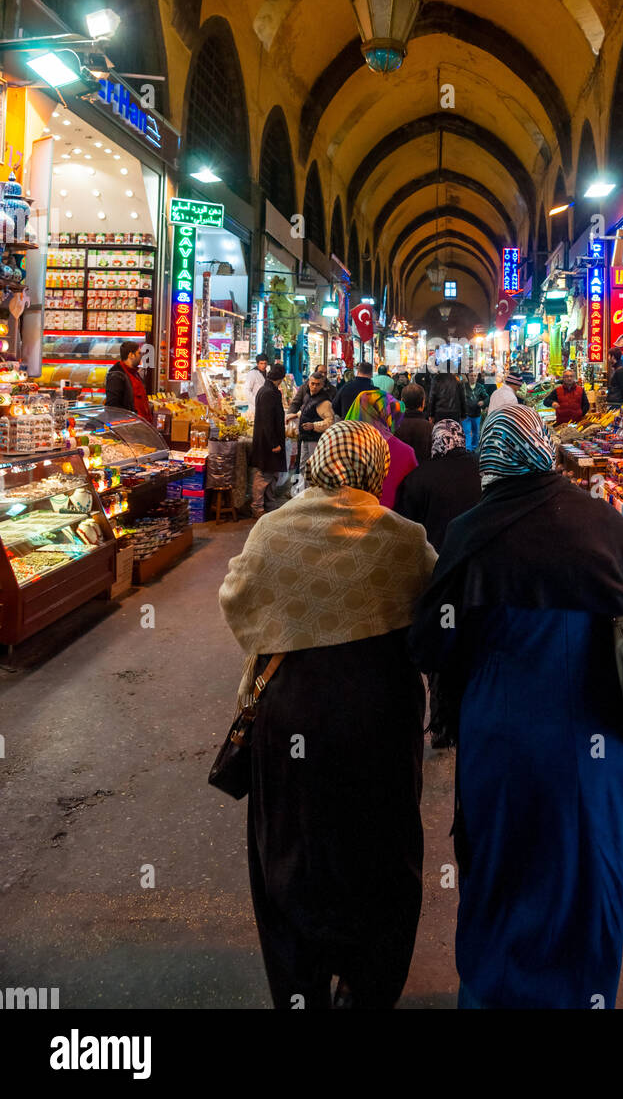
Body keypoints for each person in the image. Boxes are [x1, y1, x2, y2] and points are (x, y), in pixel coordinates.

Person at [407, 405, 623, 1010]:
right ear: (543, 448)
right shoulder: (601, 524)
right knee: (588, 867)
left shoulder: (473, 532)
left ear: (492, 461)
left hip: (503, 734)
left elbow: (431, 642)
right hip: (595, 737)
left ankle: (495, 994)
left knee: (502, 866)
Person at [219, 421, 438, 1010]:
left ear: (317, 463)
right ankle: (368, 989)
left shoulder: (272, 532)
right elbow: (434, 616)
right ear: (375, 470)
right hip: (380, 714)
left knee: (291, 853)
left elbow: (237, 602)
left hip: (292, 713)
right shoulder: (402, 538)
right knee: (384, 850)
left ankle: (301, 992)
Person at [394, 420, 482, 552]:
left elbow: (405, 522)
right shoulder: (481, 467)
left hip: (435, 554)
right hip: (474, 549)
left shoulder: (418, 476)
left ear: (434, 440)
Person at [345, 389, 417, 509]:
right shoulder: (405, 452)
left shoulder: (343, 445)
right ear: (388, 413)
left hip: (346, 518)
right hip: (389, 519)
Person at [250, 362, 288, 519]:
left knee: (272, 473)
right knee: (264, 474)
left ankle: (270, 503)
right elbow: (267, 420)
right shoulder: (268, 393)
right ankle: (257, 506)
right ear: (280, 378)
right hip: (267, 442)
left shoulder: (268, 390)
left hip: (270, 440)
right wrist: (274, 443)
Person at [294, 370, 335, 470]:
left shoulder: (324, 402)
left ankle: (309, 486)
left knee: (313, 467)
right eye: (312, 384)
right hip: (305, 437)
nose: (314, 387)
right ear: (309, 383)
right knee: (303, 466)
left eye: (318, 384)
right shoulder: (309, 396)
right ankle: (303, 486)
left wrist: (314, 426)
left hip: (315, 439)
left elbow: (330, 422)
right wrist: (295, 415)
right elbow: (306, 411)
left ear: (322, 385)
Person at [104, 341, 152, 421]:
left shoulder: (135, 374)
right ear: (131, 355)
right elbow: (112, 407)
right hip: (130, 427)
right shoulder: (116, 376)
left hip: (140, 425)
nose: (141, 356)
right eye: (139, 353)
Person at [395, 383, 433, 464]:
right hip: (423, 473)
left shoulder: (393, 426)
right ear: (423, 403)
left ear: (402, 401)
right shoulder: (430, 427)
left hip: (400, 473)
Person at [461, 373, 485, 451]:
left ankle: (474, 448)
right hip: (466, 413)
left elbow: (486, 397)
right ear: (468, 376)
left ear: (477, 377)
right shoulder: (463, 386)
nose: (473, 377)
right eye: (471, 375)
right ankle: (468, 449)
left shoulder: (480, 387)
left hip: (476, 414)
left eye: (475, 376)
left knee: (475, 432)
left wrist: (483, 402)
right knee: (467, 432)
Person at [245, 355, 269, 419]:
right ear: (257, 364)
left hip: (266, 407)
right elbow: (247, 390)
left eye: (265, 363)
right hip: (254, 407)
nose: (263, 366)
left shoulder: (267, 374)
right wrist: (256, 401)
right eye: (261, 363)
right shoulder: (252, 373)